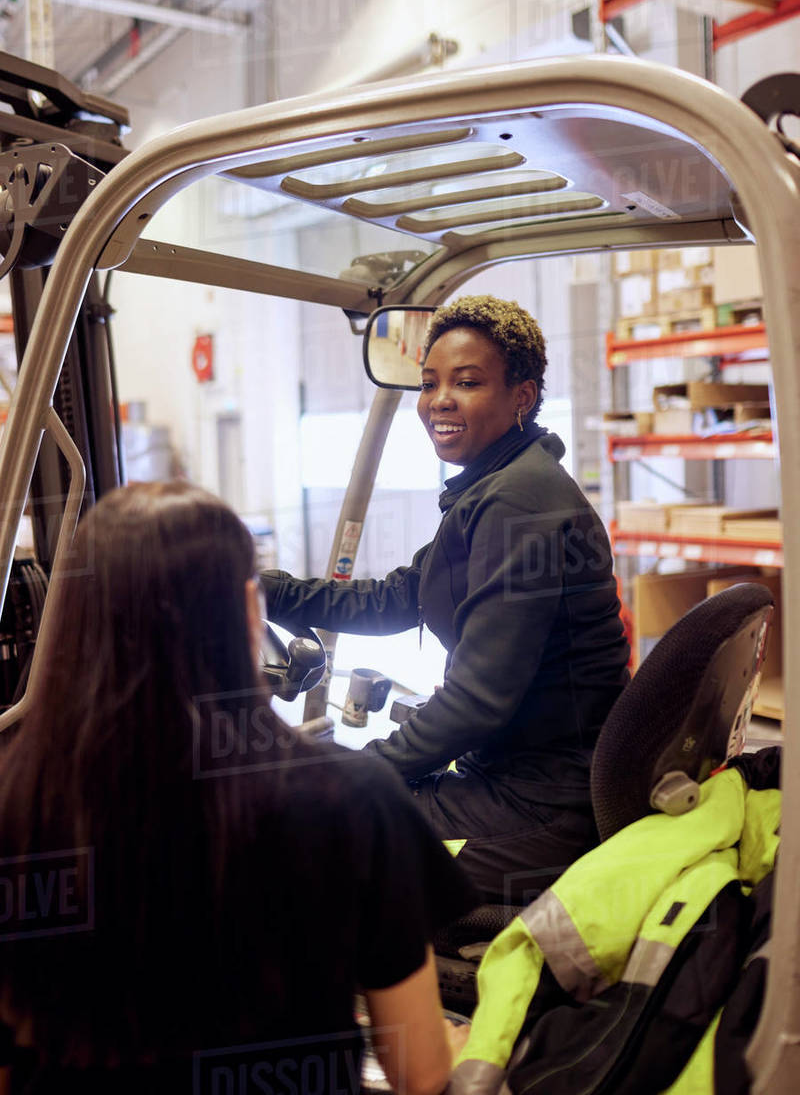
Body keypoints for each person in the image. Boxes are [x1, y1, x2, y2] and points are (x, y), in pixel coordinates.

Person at [0, 481, 477, 1094]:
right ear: (250, 614)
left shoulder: (19, 807)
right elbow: (421, 1072)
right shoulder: (356, 801)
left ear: (75, 622)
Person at [263, 295, 631, 903]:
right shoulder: (497, 488)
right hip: (520, 778)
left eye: (467, 382)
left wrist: (354, 772)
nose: (439, 400)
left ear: (522, 397)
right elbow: (394, 600)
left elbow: (477, 702)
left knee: (299, 836)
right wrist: (265, 591)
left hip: (538, 808)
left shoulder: (519, 503)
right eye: (429, 382)